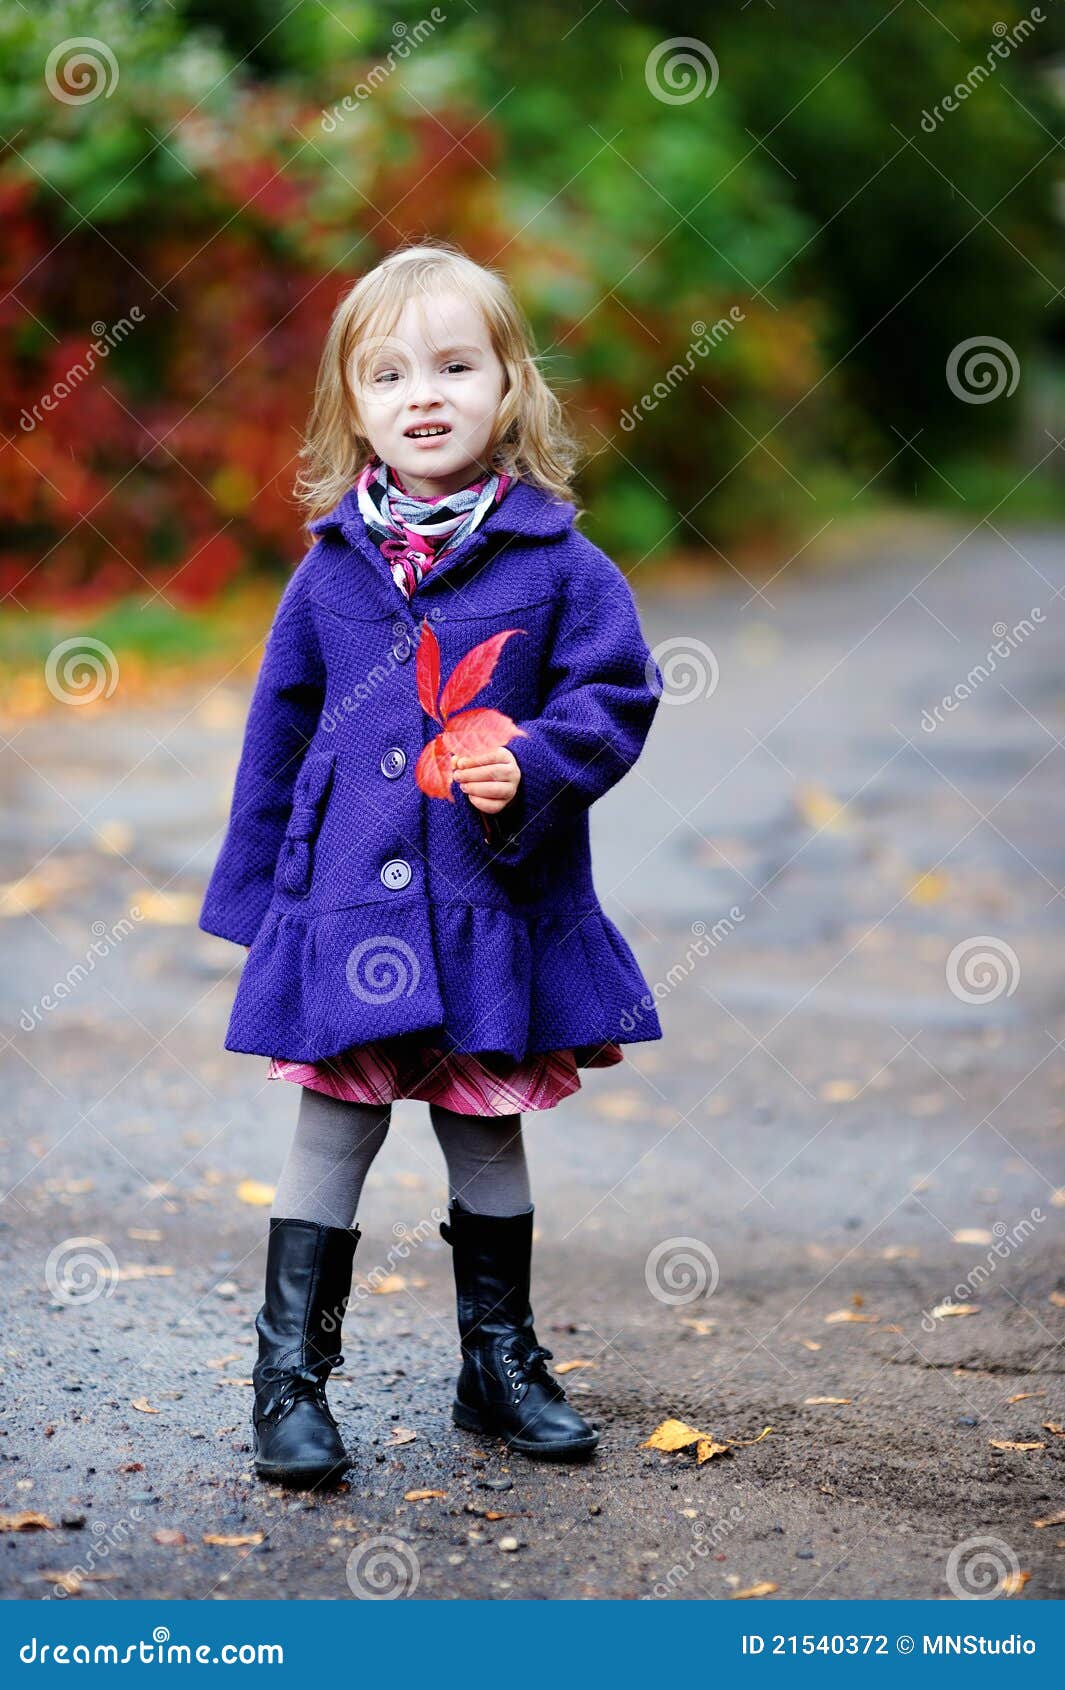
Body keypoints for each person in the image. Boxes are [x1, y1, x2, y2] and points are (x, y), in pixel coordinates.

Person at [198, 241, 664, 1488]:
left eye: (457, 365)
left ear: (509, 386)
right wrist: (259, 898)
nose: (425, 393)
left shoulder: (557, 563)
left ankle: (495, 1362)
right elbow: (280, 734)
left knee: (487, 1132)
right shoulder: (331, 567)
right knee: (332, 1125)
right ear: (353, 402)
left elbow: (618, 692)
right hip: (350, 906)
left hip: (490, 907)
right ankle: (289, 1382)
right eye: (391, 372)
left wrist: (542, 758)